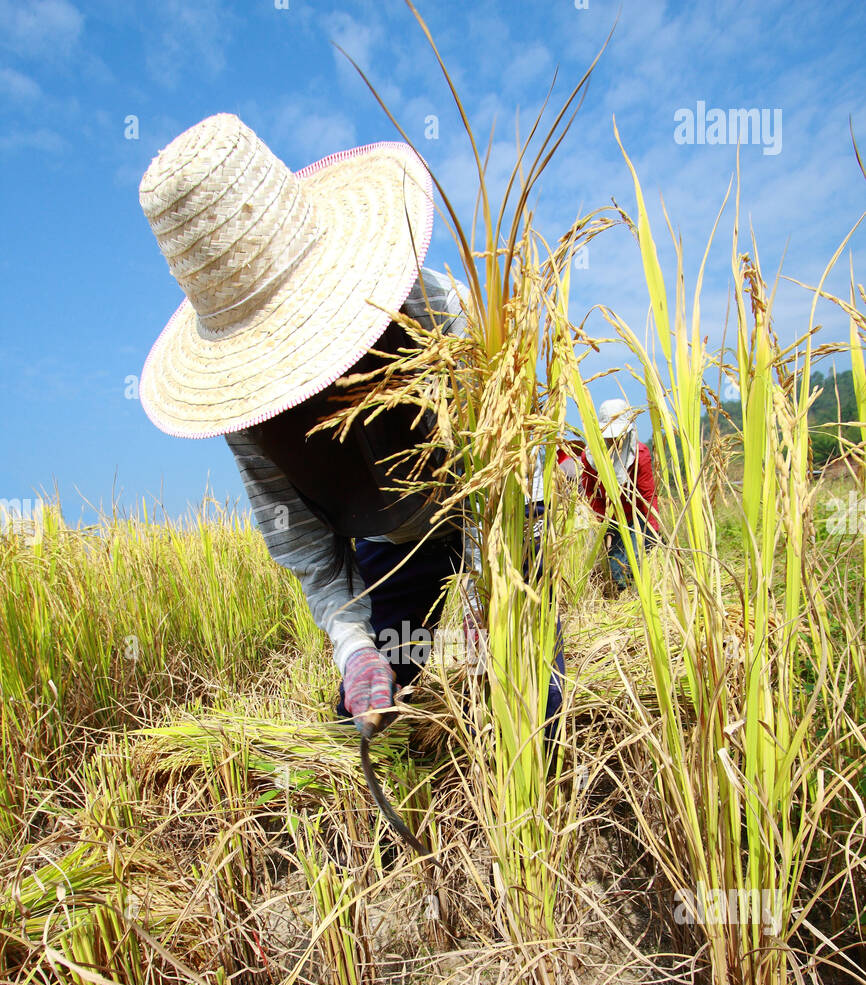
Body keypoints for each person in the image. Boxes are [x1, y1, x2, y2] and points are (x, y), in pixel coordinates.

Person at [137, 114, 564, 739]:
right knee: (362, 727)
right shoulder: (249, 413)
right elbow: (308, 546)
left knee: (526, 704)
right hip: (392, 544)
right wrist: (354, 648)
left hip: (492, 519)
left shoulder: (440, 312)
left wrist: (483, 594)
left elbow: (507, 462)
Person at [559, 399, 660, 591]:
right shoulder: (590, 457)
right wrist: (602, 525)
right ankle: (621, 597)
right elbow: (591, 493)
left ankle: (633, 601)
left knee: (625, 567)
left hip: (634, 519)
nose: (614, 441)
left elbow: (647, 495)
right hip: (609, 518)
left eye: (619, 435)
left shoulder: (639, 454)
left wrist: (653, 529)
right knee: (613, 567)